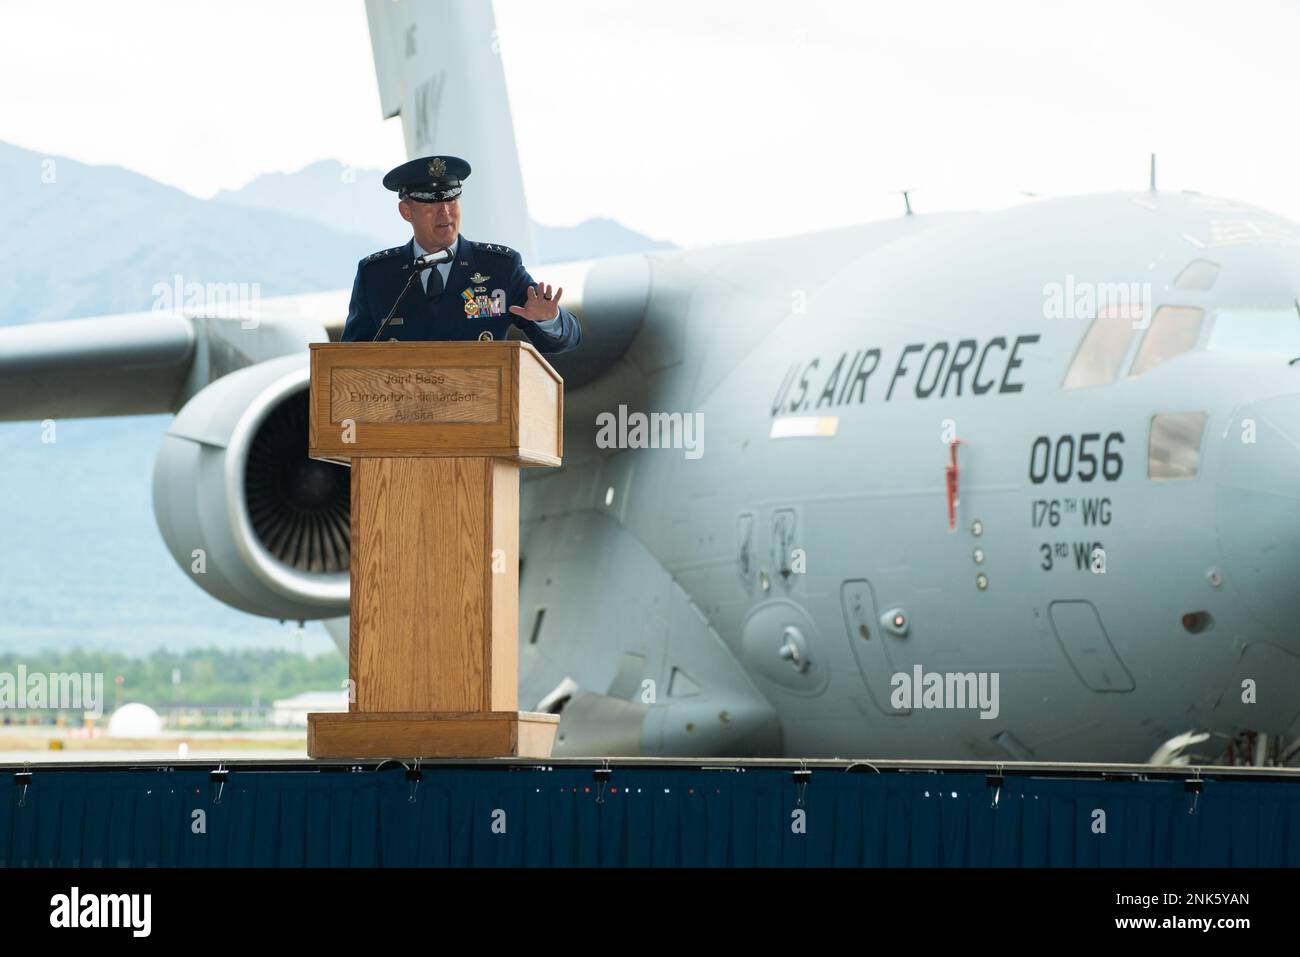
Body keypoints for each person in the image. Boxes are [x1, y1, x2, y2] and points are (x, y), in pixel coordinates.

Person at [340, 155, 581, 353]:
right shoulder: (377, 275)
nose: (445, 212)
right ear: (406, 211)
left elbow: (563, 341)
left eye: (451, 200)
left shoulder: (499, 267)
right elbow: (348, 356)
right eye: (430, 203)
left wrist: (548, 320)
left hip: (482, 407)